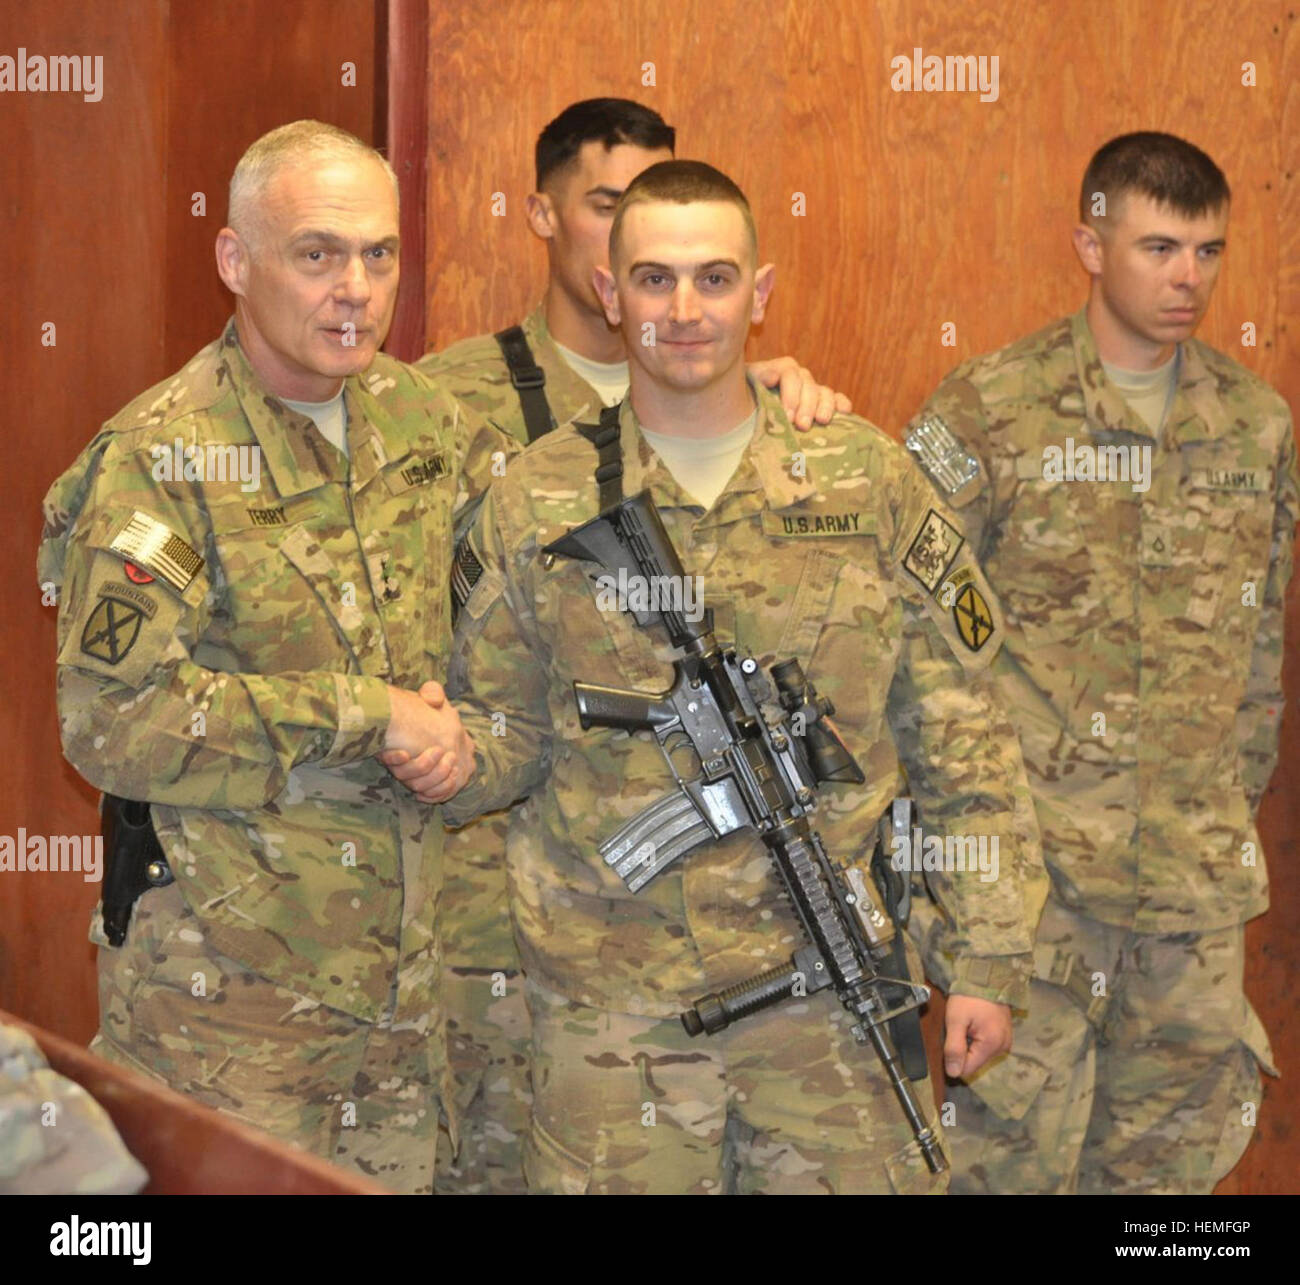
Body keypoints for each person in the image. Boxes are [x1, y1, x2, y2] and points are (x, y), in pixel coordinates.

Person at [390, 159, 1044, 1193]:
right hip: (615, 1016)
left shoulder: (865, 478)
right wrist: (439, 750)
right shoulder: (537, 498)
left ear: (761, 293)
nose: (684, 309)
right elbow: (506, 727)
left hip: (833, 1001)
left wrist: (989, 963)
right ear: (609, 293)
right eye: (652, 279)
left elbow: (965, 736)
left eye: (714, 279)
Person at [37, 120, 506, 1194]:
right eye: (317, 253)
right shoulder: (162, 458)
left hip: (405, 993)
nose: (356, 288)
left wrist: (736, 388)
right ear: (235, 261)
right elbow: (110, 722)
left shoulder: (425, 420)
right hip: (228, 1004)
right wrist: (364, 712)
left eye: (379, 254)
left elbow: (538, 583)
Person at [418, 98, 853, 1194]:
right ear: (557, 224)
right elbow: (465, 680)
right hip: (529, 924)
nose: (673, 292)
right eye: (611, 212)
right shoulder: (444, 407)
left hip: (750, 943)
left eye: (707, 272)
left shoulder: (774, 419)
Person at [904, 131, 1298, 1194]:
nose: (1187, 279)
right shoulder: (990, 409)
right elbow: (913, 645)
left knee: (1170, 1187)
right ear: (1089, 242)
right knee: (1003, 1165)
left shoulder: (1255, 427)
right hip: (1035, 899)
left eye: (1208, 252)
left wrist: (1209, 811)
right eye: (1158, 247)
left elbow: (1256, 665)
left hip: (1189, 901)